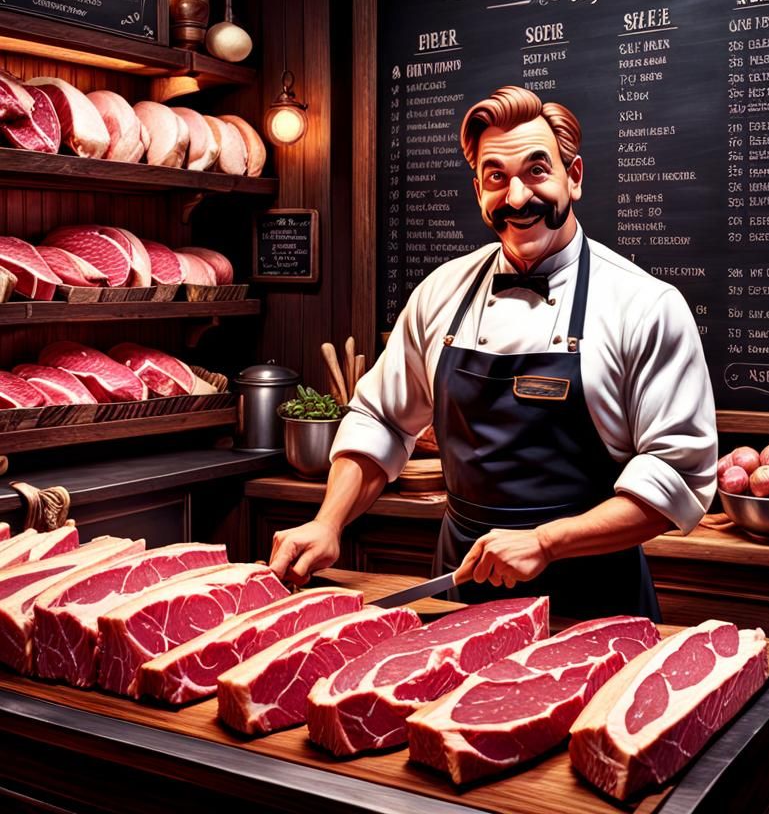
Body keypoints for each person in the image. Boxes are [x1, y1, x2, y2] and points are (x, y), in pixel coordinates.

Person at [270, 85, 717, 619]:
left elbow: (676, 477)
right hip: (458, 588)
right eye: (496, 177)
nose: (517, 197)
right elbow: (381, 421)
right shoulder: (442, 291)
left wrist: (547, 542)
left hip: (594, 599)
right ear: (477, 187)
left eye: (536, 172)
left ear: (574, 177)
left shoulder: (644, 305)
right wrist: (328, 521)